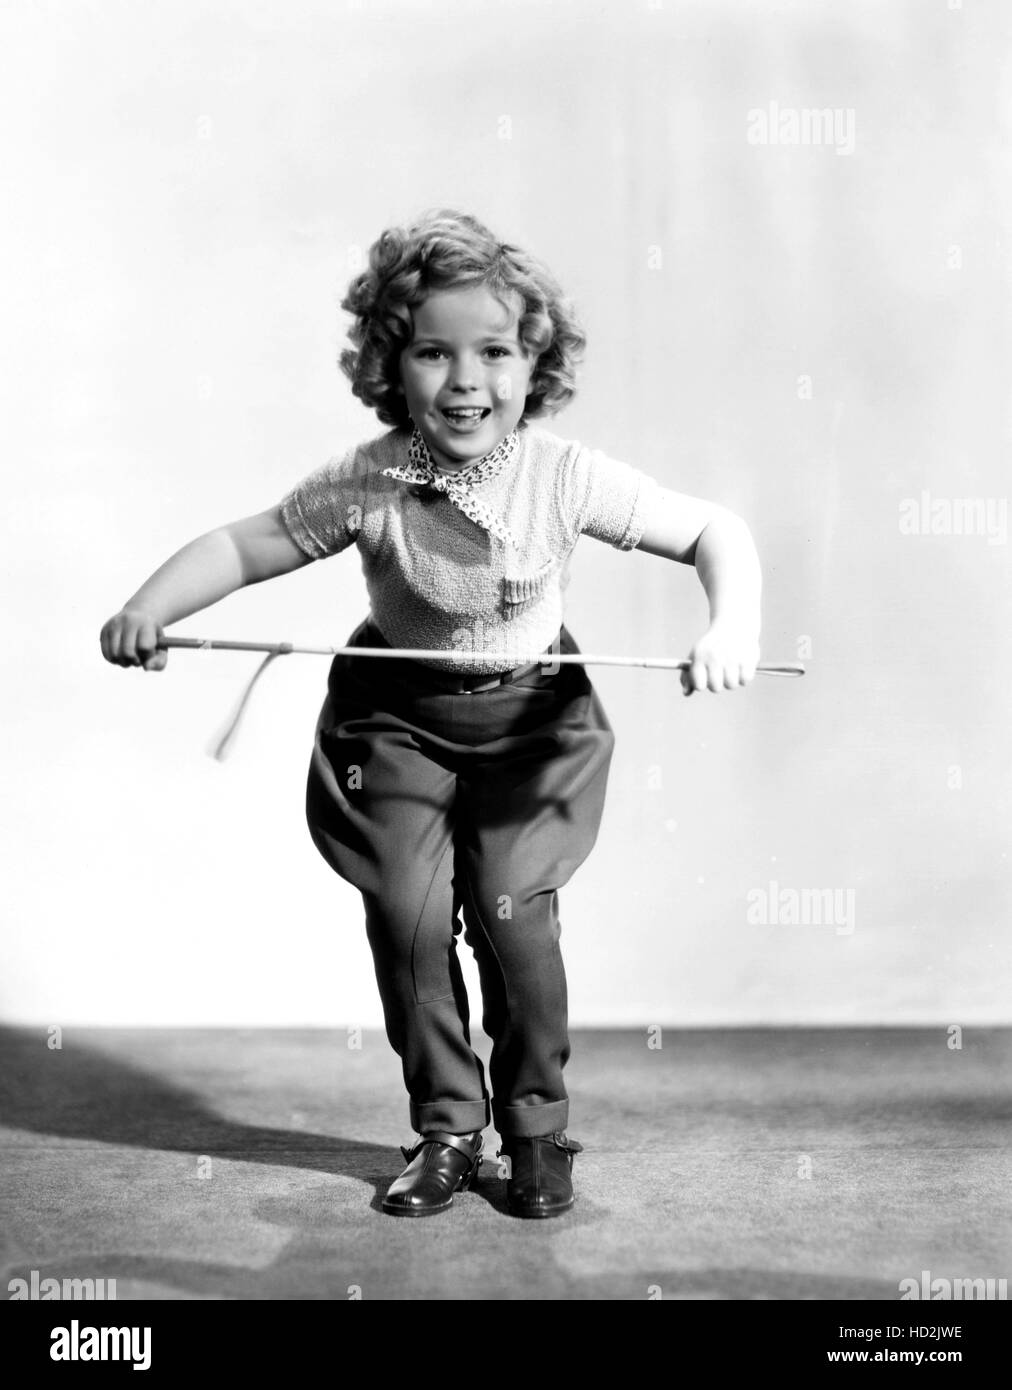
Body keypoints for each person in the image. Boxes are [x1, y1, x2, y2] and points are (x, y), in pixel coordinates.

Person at [99, 209, 762, 1219]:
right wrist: (151, 605)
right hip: (393, 726)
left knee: (513, 917)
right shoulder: (368, 480)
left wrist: (732, 624)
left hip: (532, 727)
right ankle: (447, 1129)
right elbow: (247, 543)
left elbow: (715, 529)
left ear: (533, 362)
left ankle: (536, 1131)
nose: (464, 381)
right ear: (388, 364)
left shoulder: (564, 476)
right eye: (431, 352)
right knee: (408, 920)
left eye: (493, 351)